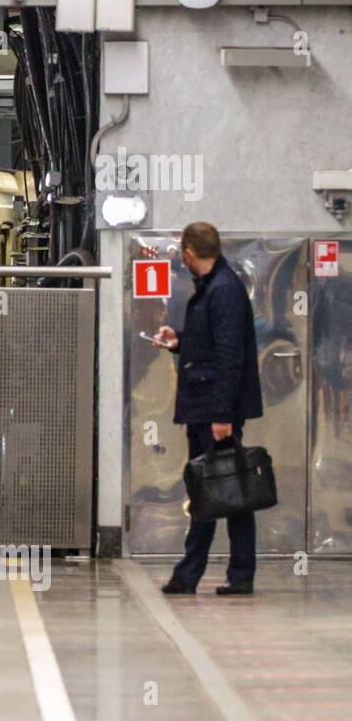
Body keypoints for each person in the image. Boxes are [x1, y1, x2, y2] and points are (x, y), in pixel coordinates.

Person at [151, 222, 264, 596]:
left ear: (188, 253)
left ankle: (198, 573)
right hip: (207, 407)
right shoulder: (216, 287)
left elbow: (230, 357)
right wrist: (178, 341)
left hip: (213, 410)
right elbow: (211, 347)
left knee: (220, 490)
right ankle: (223, 573)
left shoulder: (223, 290)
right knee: (221, 491)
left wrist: (222, 415)